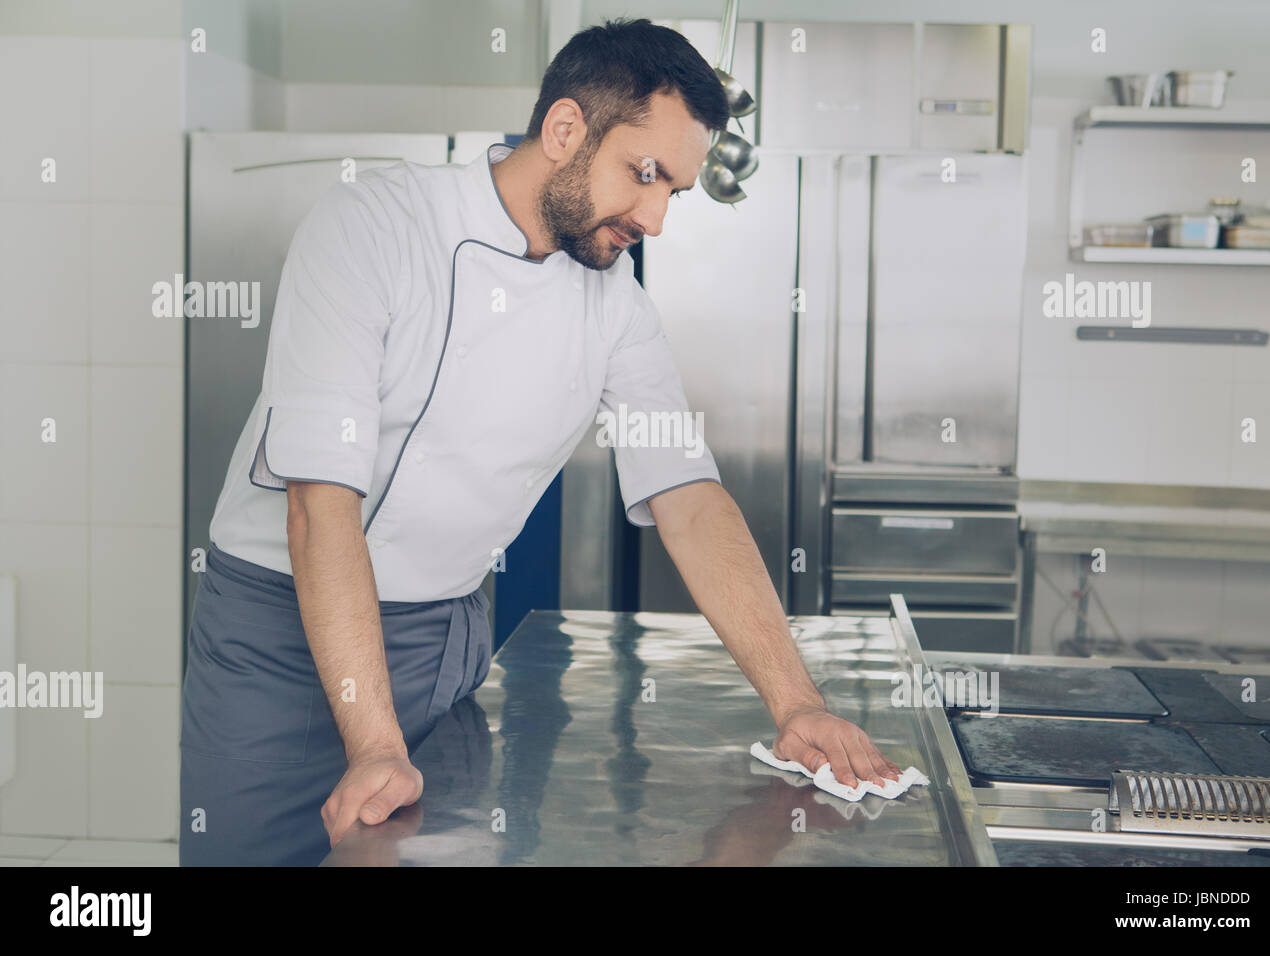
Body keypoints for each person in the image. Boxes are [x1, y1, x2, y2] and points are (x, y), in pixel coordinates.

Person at [180, 17, 900, 867]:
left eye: (676, 191)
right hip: (282, 642)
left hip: (444, 639)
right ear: (564, 130)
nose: (658, 217)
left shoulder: (614, 300)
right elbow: (319, 507)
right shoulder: (373, 228)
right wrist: (374, 743)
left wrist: (797, 704)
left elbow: (690, 498)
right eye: (646, 175)